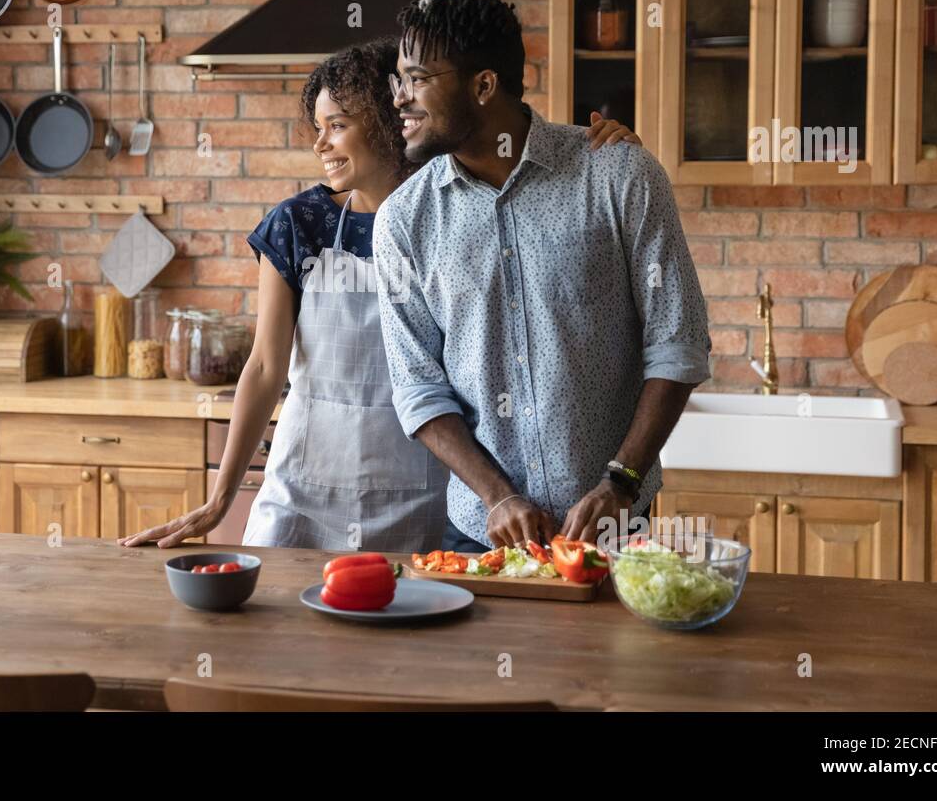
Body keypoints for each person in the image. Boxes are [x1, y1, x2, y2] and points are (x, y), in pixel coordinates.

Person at [117, 37, 640, 552]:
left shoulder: (450, 217)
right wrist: (218, 502)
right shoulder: (298, 225)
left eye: (338, 126)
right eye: (317, 129)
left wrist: (606, 154)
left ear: (389, 120)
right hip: (304, 491)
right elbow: (263, 368)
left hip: (425, 498)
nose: (320, 144)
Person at [372, 0, 712, 554]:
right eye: (397, 81)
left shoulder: (617, 175)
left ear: (483, 85)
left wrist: (620, 482)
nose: (400, 99)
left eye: (418, 79)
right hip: (482, 534)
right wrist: (497, 496)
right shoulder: (404, 222)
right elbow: (419, 388)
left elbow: (677, 344)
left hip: (616, 527)